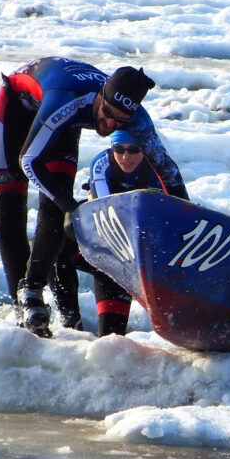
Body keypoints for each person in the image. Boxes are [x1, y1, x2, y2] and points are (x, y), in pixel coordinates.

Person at [0, 57, 189, 338]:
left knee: (56, 207)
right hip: (19, 107)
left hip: (62, 121)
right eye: (107, 112)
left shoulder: (138, 120)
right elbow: (29, 160)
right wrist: (70, 206)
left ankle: (51, 311)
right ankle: (27, 300)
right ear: (101, 95)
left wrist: (188, 223)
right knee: (10, 209)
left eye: (119, 121)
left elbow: (170, 174)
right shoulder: (69, 100)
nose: (108, 123)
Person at [60, 129, 166, 337]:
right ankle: (70, 318)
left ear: (144, 149)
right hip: (104, 244)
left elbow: (170, 214)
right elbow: (104, 208)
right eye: (119, 149)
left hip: (130, 259)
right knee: (59, 240)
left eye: (134, 150)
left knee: (111, 340)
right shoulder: (102, 163)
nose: (126, 157)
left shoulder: (159, 167)